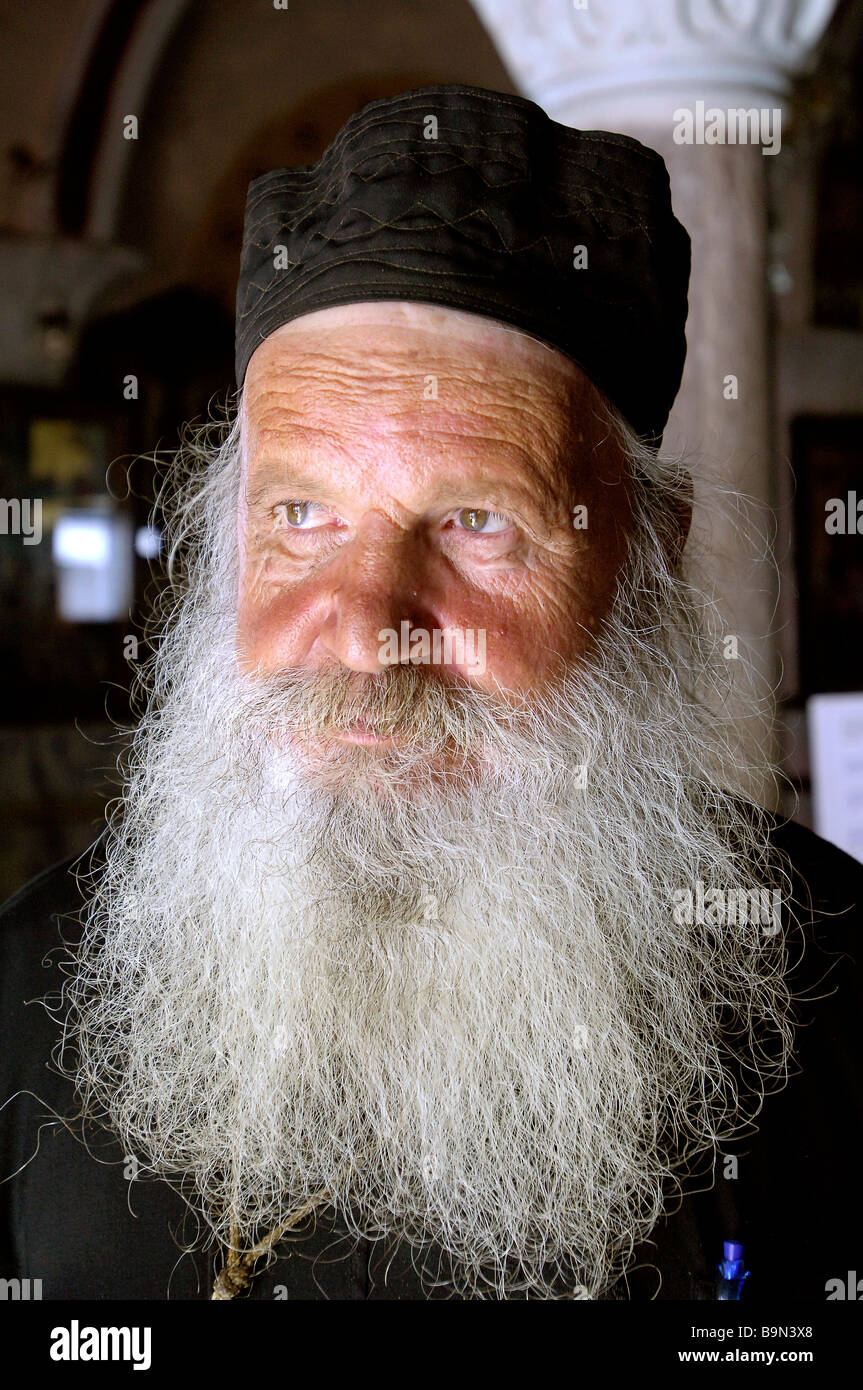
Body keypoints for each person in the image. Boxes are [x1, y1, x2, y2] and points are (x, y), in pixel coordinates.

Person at [1, 84, 860, 1302]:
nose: (363, 632)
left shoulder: (834, 996)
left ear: (648, 551)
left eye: (474, 524)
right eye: (300, 518)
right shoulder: (27, 986)